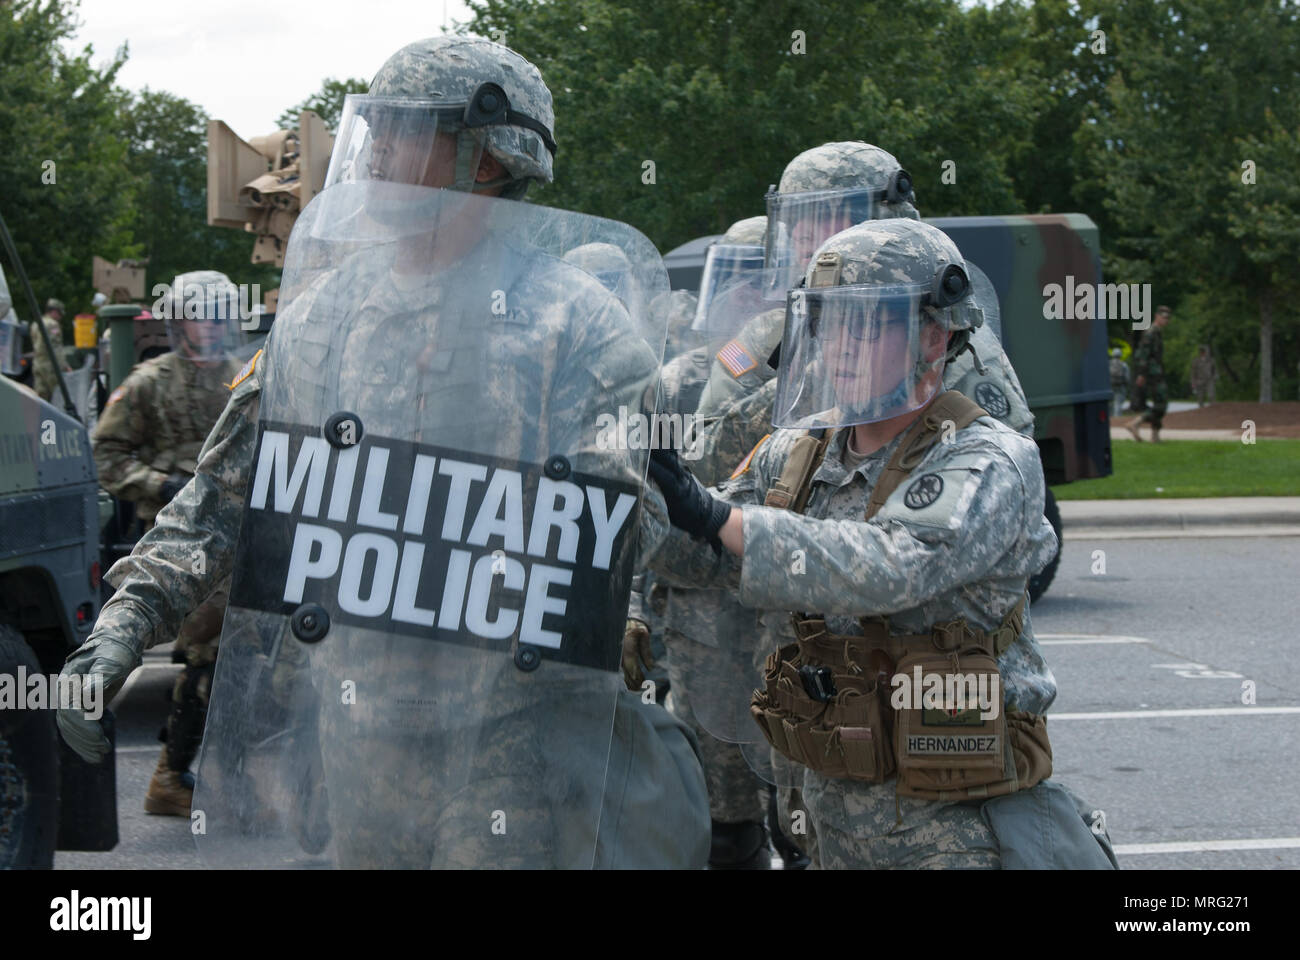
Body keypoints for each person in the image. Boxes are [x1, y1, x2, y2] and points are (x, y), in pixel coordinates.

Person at [58, 36, 708, 869]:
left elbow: (631, 519)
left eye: (405, 133)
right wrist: (123, 627)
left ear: (486, 158)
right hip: (358, 736)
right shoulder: (325, 318)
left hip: (513, 737)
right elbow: (226, 492)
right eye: (378, 129)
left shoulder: (578, 329)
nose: (376, 157)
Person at [640, 218, 1116, 869]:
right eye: (829, 322)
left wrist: (714, 513)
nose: (842, 344)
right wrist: (634, 508)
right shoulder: (800, 450)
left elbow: (892, 566)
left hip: (955, 832)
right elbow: (716, 562)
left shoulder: (988, 456)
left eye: (867, 323)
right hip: (833, 822)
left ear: (934, 333)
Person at [88, 271, 244, 815]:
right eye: (200, 314)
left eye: (219, 313)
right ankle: (171, 778)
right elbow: (106, 455)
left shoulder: (243, 376)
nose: (210, 325)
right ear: (179, 320)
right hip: (185, 545)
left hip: (243, 537)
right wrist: (161, 484)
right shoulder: (149, 383)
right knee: (210, 659)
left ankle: (215, 777)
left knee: (247, 662)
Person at [1127, 306, 1170, 442]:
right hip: (1152, 373)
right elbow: (1143, 355)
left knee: (1159, 402)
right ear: (1156, 316)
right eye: (1163, 317)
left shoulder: (1157, 333)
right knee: (1161, 404)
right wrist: (1141, 374)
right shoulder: (1150, 333)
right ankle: (1136, 423)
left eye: (1168, 318)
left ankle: (1155, 435)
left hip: (1155, 372)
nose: (1166, 320)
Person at [30, 297, 70, 402]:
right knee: (57, 395)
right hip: (50, 366)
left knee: (40, 395)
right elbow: (56, 348)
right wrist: (64, 366)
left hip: (38, 363)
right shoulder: (52, 325)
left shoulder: (36, 324)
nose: (60, 317)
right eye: (60, 313)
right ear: (54, 311)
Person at [1109, 347, 1130, 416]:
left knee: (1110, 402)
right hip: (1120, 386)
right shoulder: (1124, 365)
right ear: (1120, 355)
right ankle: (1117, 417)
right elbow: (1127, 378)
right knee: (1118, 402)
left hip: (1110, 385)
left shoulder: (1109, 364)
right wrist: (1126, 385)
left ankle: (1110, 418)